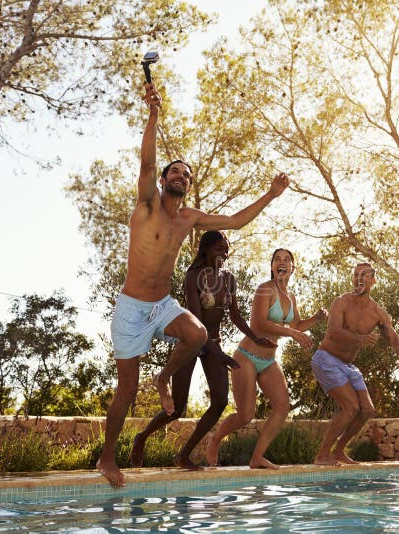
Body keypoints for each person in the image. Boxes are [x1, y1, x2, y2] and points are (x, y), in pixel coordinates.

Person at [96, 83, 289, 487]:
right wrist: (152, 117)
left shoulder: (190, 218)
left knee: (198, 333)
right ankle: (107, 457)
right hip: (132, 307)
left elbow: (235, 221)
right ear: (164, 179)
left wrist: (270, 195)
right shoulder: (146, 204)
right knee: (125, 390)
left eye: (187, 174)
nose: (181, 176)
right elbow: (146, 163)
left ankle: (164, 378)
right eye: (176, 171)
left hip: (162, 304)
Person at [130, 231, 276, 470]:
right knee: (177, 408)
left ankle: (184, 455)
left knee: (220, 401)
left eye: (226, 250)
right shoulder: (193, 276)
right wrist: (218, 354)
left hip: (214, 343)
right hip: (191, 341)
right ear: (205, 250)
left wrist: (256, 338)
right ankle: (142, 437)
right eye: (219, 249)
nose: (224, 254)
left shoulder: (229, 279)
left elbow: (236, 316)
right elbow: (196, 320)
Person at [206, 248, 327, 469]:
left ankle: (257, 457)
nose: (282, 262)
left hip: (268, 361)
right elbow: (258, 324)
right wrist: (292, 333)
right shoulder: (264, 290)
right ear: (272, 266)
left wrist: (316, 318)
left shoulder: (290, 297)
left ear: (292, 268)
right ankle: (215, 439)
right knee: (245, 416)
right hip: (247, 357)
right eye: (277, 259)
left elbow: (297, 325)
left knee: (282, 407)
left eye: (287, 260)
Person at [311, 262, 399, 465]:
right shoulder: (341, 302)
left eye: (364, 274)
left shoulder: (378, 312)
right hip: (326, 358)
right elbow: (333, 332)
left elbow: (392, 335)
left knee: (367, 410)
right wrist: (361, 339)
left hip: (348, 366)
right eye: (355, 274)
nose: (358, 278)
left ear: (373, 280)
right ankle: (322, 455)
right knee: (350, 407)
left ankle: (338, 451)